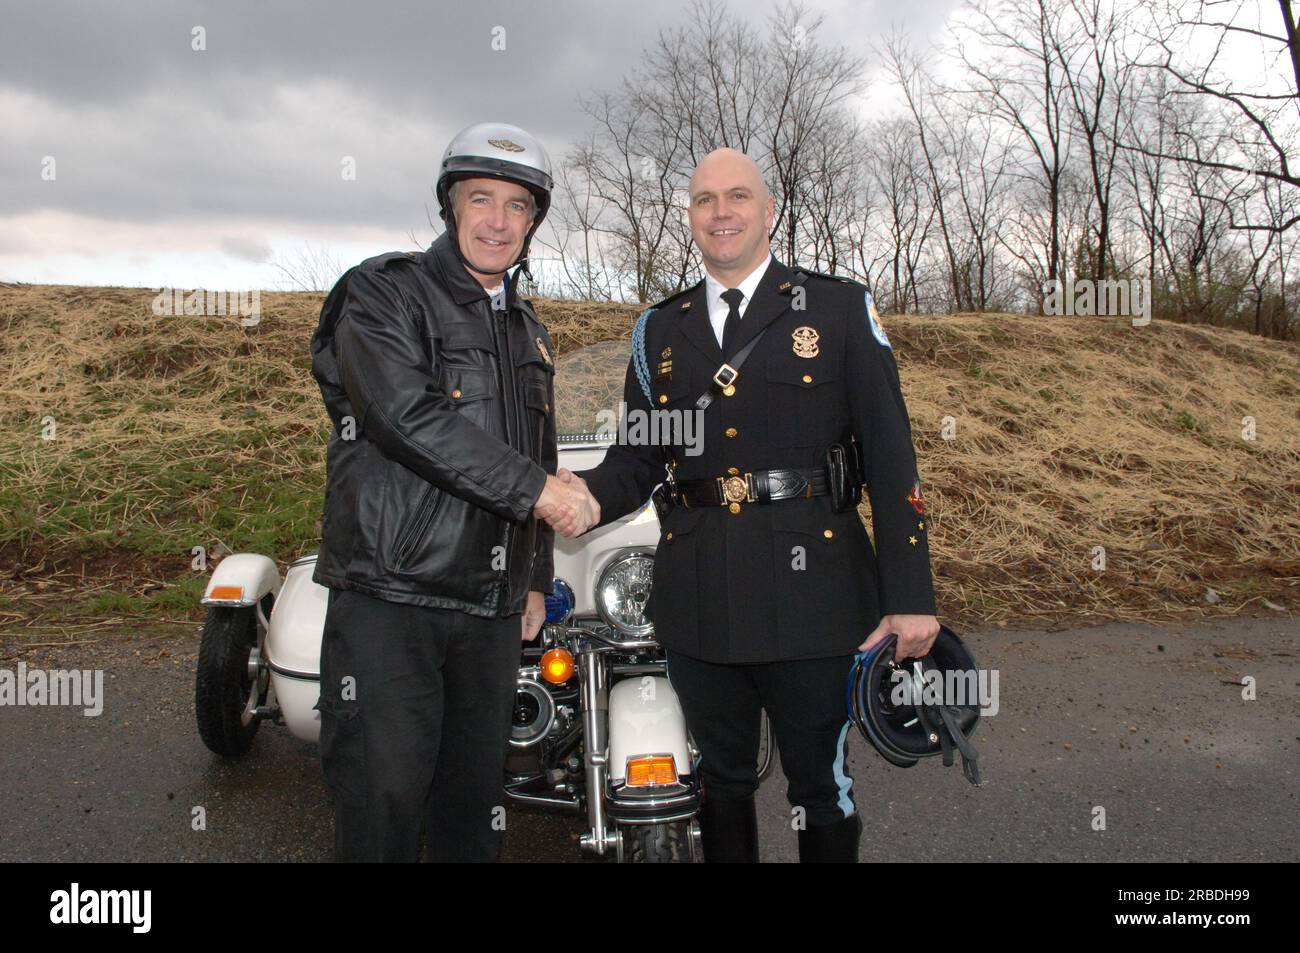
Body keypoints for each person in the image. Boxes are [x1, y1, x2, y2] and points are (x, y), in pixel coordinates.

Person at [554, 148, 939, 862]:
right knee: (720, 784)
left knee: (821, 787)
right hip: (702, 593)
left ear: (769, 211)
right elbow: (639, 458)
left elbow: (892, 456)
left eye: (737, 197)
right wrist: (579, 499)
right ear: (691, 218)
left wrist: (910, 593)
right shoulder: (658, 332)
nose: (721, 212)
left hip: (816, 596)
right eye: (704, 200)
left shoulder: (836, 307)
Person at [308, 121, 599, 862]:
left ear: (533, 222)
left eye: (516, 206)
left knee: (473, 809)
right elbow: (407, 417)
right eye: (481, 199)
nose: (497, 221)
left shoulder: (528, 330)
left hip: (490, 609)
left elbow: (538, 450)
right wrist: (539, 490)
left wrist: (533, 579)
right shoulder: (383, 292)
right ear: (450, 205)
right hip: (392, 596)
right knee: (384, 803)